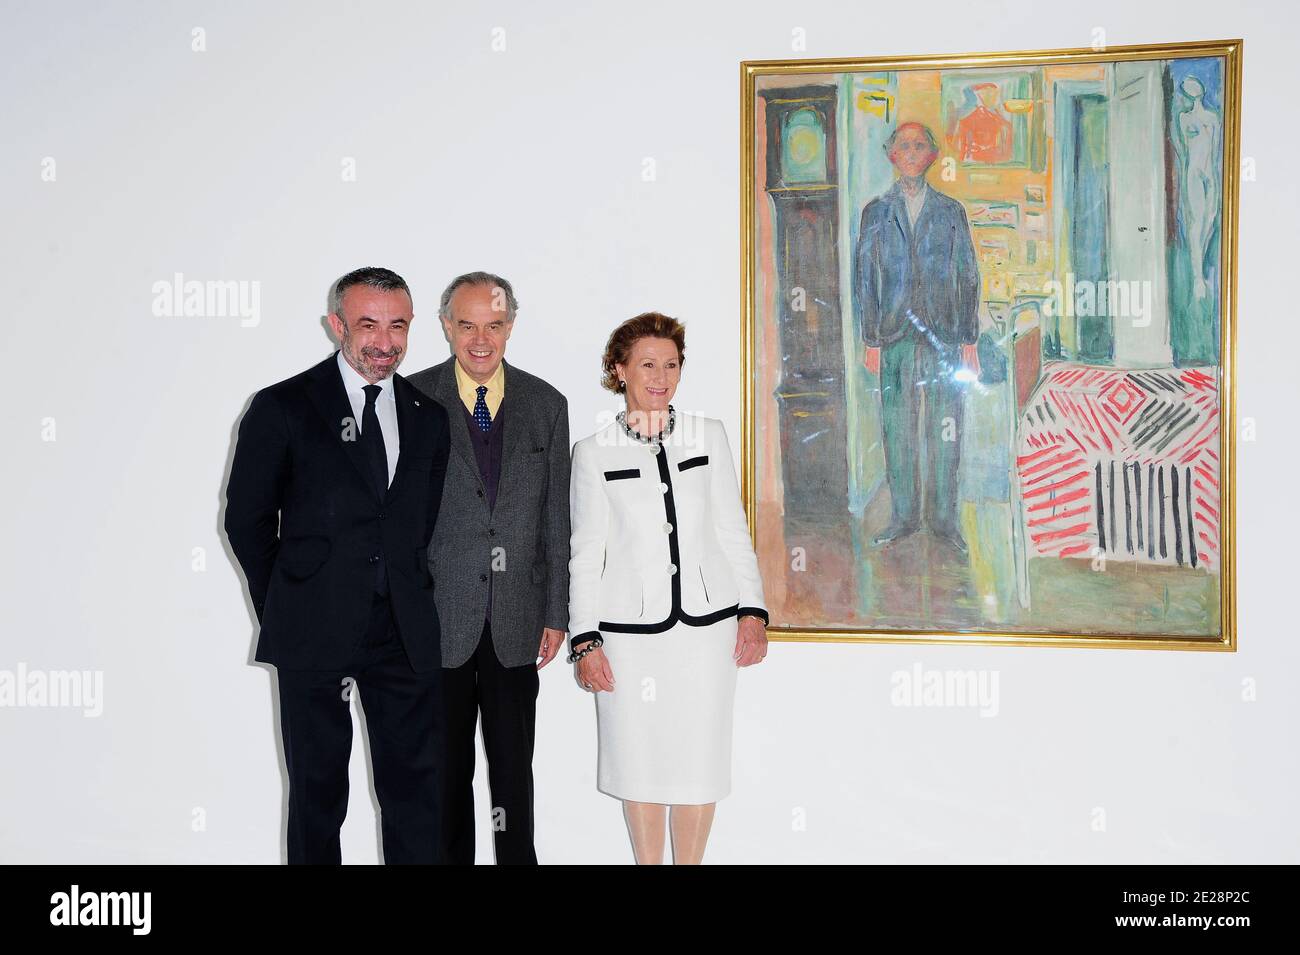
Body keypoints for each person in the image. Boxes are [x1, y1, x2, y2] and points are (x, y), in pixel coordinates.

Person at [224, 266, 451, 864]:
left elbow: (417, 523)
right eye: (368, 324)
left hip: (403, 633)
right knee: (318, 796)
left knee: (416, 795)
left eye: (398, 325)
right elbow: (246, 521)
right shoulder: (282, 407)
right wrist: (288, 602)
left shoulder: (430, 416)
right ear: (336, 326)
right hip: (312, 631)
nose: (385, 341)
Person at [568, 312, 769, 865]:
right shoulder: (593, 452)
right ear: (620, 370)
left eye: (672, 364)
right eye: (647, 364)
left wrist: (753, 611)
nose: (661, 376)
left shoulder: (711, 436)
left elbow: (733, 529)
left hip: (707, 631)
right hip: (628, 637)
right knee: (639, 760)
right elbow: (585, 553)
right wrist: (586, 641)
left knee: (698, 762)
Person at [407, 272, 570, 865]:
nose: (481, 339)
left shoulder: (547, 404)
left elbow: (556, 517)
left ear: (510, 327)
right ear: (447, 326)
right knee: (444, 774)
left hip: (516, 621)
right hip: (438, 618)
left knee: (512, 772)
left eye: (493, 325)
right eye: (467, 325)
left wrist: (557, 612)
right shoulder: (412, 397)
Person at [854, 121, 981, 555]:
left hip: (944, 335)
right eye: (903, 146)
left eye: (919, 145)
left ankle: (944, 521)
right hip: (893, 336)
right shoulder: (875, 212)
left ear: (931, 155)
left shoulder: (951, 212)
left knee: (945, 427)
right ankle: (905, 518)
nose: (911, 152)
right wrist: (871, 339)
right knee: (897, 427)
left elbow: (968, 274)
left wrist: (969, 339)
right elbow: (864, 281)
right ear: (891, 154)